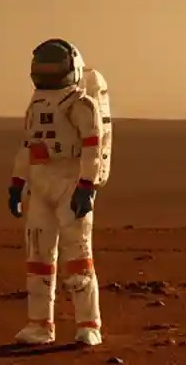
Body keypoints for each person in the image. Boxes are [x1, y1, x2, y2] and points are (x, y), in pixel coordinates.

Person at [7, 38, 112, 347]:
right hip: (41, 185)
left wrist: (86, 185)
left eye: (54, 65)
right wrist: (17, 183)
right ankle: (39, 325)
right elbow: (27, 147)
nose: (48, 71)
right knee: (38, 256)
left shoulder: (81, 104)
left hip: (69, 182)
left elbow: (92, 149)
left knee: (78, 255)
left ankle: (88, 324)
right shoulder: (37, 103)